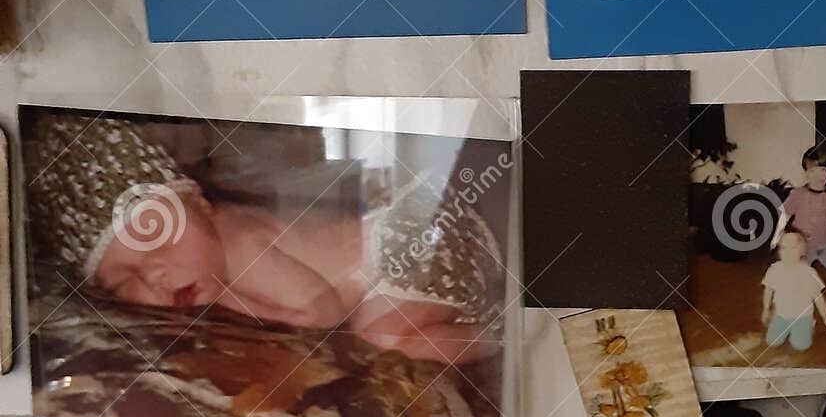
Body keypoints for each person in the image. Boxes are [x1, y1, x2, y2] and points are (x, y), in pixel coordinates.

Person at [23, 110, 503, 364]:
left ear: (201, 204)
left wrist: (233, 299)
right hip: (413, 238)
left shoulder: (237, 243)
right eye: (125, 280)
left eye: (161, 242)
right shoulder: (213, 256)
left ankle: (499, 338)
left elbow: (321, 309)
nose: (158, 274)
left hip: (414, 240)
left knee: (382, 335)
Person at [773, 145, 826, 297]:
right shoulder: (797, 194)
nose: (818, 176)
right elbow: (785, 215)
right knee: (797, 269)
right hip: (802, 244)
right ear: (806, 172)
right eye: (812, 171)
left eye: (823, 170)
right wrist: (778, 236)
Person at [761, 228, 826, 354]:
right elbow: (768, 290)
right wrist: (766, 308)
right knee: (772, 342)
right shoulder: (774, 270)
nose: (787, 252)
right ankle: (782, 326)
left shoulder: (809, 273)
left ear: (803, 250)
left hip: (802, 316)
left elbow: (818, 297)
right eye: (783, 248)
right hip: (780, 314)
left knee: (801, 346)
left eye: (793, 248)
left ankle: (808, 326)